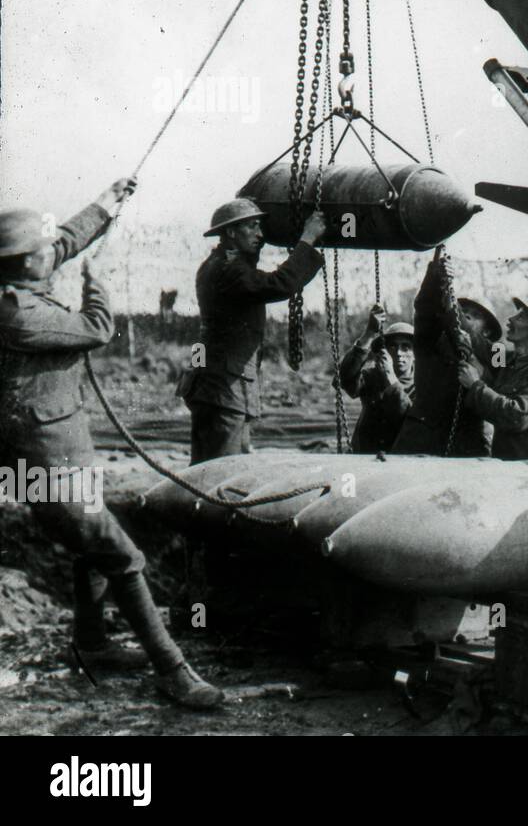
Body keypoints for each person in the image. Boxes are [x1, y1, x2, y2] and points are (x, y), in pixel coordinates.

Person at [0, 180, 223, 708]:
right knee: (122, 556)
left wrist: (106, 202)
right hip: (43, 456)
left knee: (89, 550)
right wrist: (96, 283)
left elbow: (64, 241)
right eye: (41, 255)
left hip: (63, 438)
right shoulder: (18, 313)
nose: (52, 258)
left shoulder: (21, 276)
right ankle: (173, 670)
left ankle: (92, 644)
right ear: (21, 263)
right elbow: (96, 328)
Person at [180, 199, 326, 464]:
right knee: (221, 472)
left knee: (212, 468)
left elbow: (256, 272)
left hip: (213, 385)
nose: (260, 234)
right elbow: (279, 284)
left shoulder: (216, 264)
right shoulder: (230, 271)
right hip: (224, 388)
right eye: (252, 226)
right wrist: (307, 239)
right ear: (232, 233)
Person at [391, 255, 501, 457]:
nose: (465, 316)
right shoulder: (431, 342)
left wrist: (454, 311)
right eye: (463, 310)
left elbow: (501, 383)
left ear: (488, 332)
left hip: (468, 444)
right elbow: (424, 308)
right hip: (422, 440)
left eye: (475, 315)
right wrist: (437, 278)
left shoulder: (497, 353)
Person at [456, 296, 528, 465]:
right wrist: (454, 308)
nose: (510, 319)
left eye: (520, 317)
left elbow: (518, 416)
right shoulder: (508, 358)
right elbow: (481, 343)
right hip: (509, 462)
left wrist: (475, 385)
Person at [336, 306, 416, 453]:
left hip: (402, 460)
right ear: (383, 351)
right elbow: (344, 379)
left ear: (415, 353)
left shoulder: (423, 385)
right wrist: (369, 332)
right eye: (392, 346)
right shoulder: (373, 377)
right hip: (365, 457)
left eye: (406, 347)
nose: (398, 353)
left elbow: (409, 422)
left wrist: (391, 379)